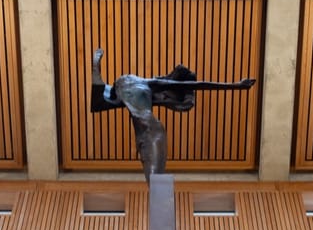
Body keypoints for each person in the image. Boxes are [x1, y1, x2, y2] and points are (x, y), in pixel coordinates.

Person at [89, 48, 255, 178]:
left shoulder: (147, 85)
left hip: (143, 117)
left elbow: (199, 84)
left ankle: (154, 176)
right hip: (141, 116)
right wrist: (235, 86)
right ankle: (154, 176)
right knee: (148, 131)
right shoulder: (145, 86)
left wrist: (236, 86)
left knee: (149, 131)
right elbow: (200, 84)